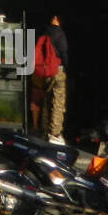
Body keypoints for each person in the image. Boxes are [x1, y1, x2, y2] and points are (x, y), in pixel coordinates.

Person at [43, 14, 69, 144]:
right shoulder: (60, 34)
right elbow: (64, 53)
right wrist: (66, 68)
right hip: (58, 70)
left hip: (47, 70)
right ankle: (55, 133)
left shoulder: (45, 33)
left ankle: (45, 130)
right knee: (58, 101)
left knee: (47, 100)